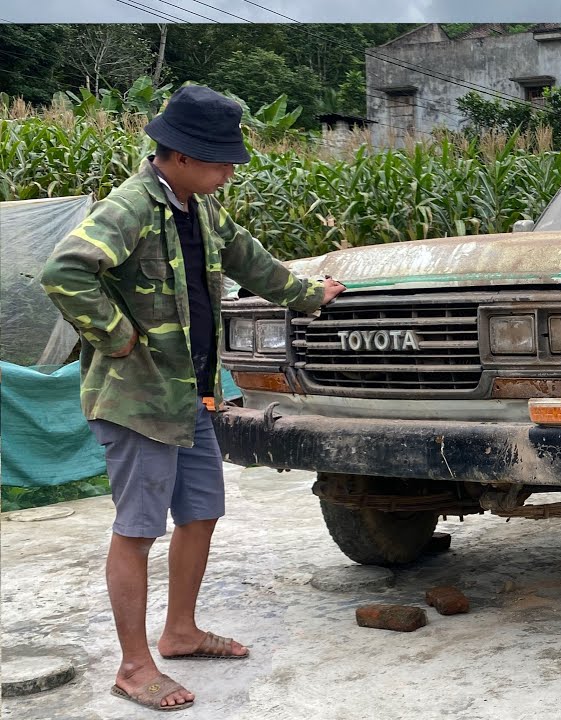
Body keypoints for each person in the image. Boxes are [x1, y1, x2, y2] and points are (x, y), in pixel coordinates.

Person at [41, 85, 346, 711]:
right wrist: (118, 335)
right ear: (178, 154)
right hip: (139, 400)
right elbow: (65, 272)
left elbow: (253, 263)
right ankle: (133, 666)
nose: (229, 171)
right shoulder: (129, 207)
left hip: (194, 396)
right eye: (219, 160)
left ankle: (180, 632)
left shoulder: (200, 207)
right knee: (138, 528)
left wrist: (312, 295)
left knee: (201, 513)